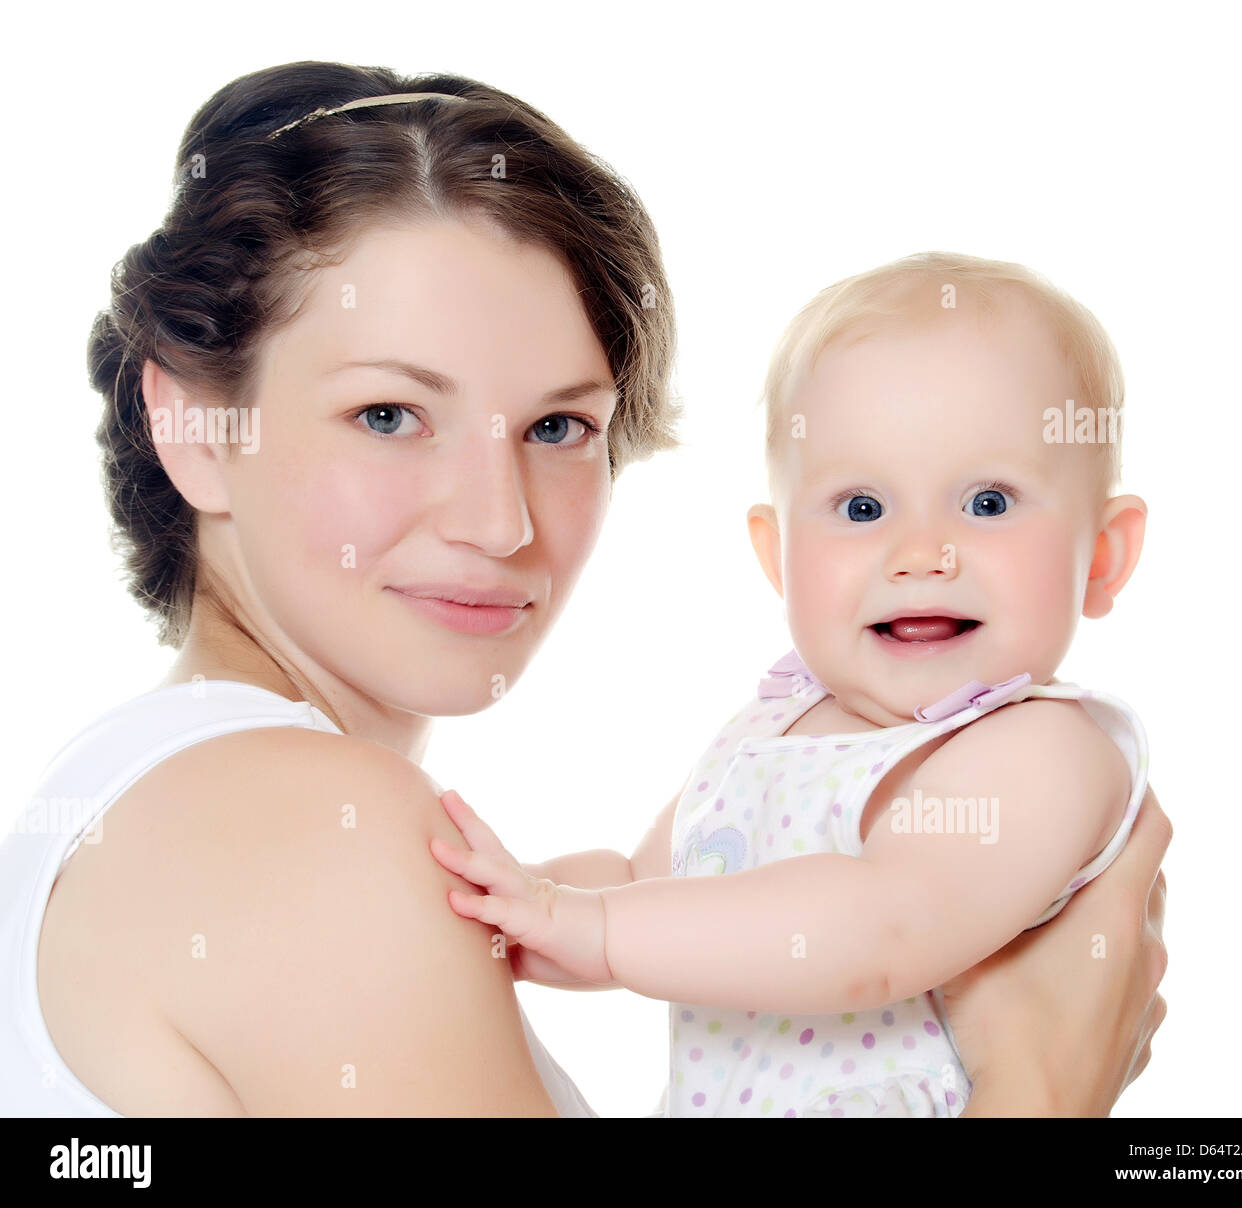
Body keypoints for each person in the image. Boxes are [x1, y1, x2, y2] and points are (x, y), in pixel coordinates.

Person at [0, 61, 1170, 1117]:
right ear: (197, 426)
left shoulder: (126, 786)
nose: (500, 519)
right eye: (390, 414)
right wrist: (1047, 1086)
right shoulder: (314, 834)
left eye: (558, 425)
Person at [431, 251, 1156, 1117]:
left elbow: (884, 928)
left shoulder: (1042, 748)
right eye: (861, 508)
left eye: (989, 503)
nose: (921, 553)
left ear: (1103, 557)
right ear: (780, 559)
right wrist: (515, 909)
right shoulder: (769, 729)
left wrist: (590, 930)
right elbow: (638, 880)